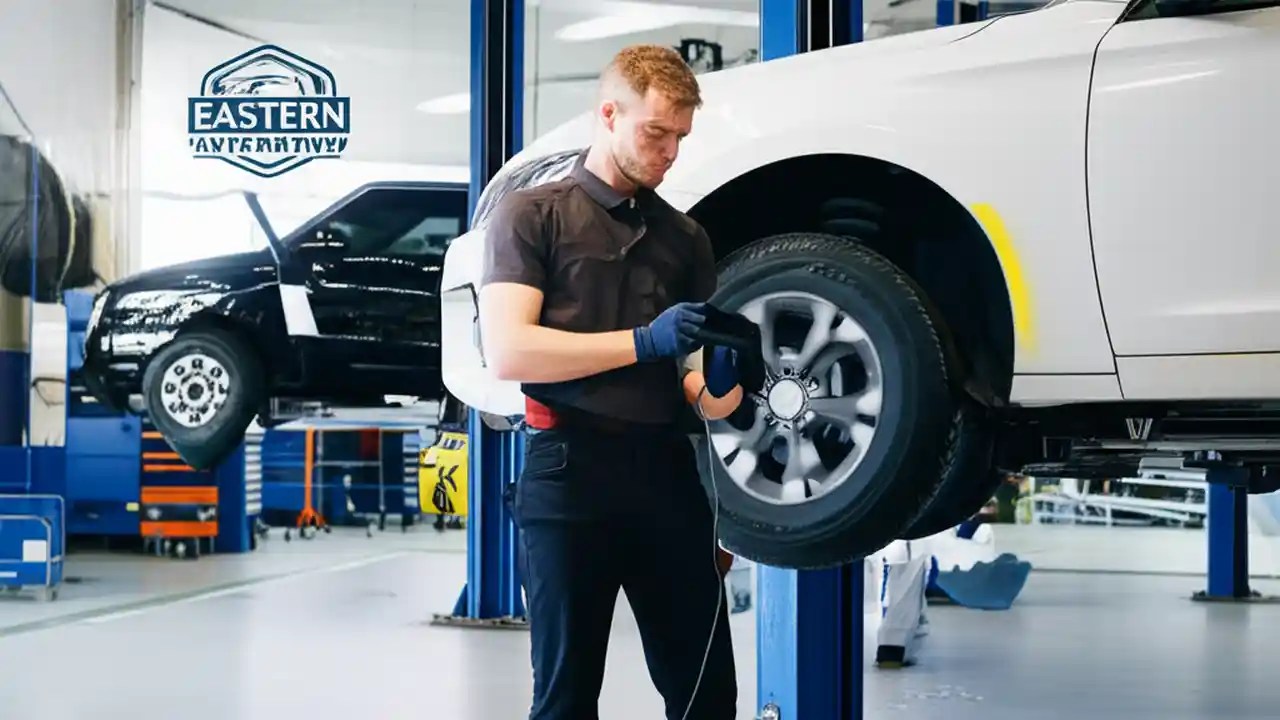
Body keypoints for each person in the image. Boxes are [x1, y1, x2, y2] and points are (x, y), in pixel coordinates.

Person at [478, 44, 743, 720]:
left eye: (680, 137)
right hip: (569, 472)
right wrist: (643, 342)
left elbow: (694, 386)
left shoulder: (684, 237)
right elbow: (510, 353)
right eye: (656, 133)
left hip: (666, 476)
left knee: (708, 693)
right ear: (608, 114)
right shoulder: (532, 216)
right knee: (566, 700)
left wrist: (727, 384)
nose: (669, 153)